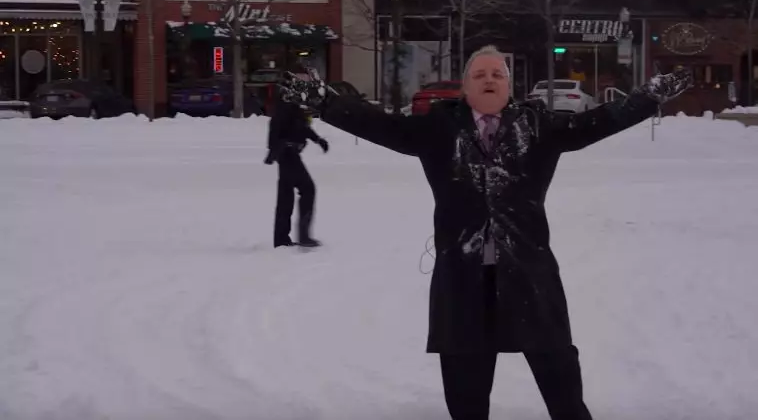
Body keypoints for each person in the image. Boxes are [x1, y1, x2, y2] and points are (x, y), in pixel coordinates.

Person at [278, 46, 692, 419]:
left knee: (563, 388)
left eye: (498, 73)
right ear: (465, 87)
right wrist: (325, 102)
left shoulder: (538, 125)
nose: (490, 79)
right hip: (462, 278)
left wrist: (647, 98)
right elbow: (381, 125)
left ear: (510, 85)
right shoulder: (439, 127)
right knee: (466, 397)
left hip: (529, 274)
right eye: (480, 74)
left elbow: (595, 123)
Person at [264, 93, 329, 248]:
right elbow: (276, 137)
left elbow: (304, 128)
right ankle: (302, 236)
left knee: (286, 197)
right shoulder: (285, 111)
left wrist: (318, 140)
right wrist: (284, 147)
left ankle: (281, 239)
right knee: (307, 189)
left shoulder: (292, 110)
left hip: (287, 156)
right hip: (288, 156)